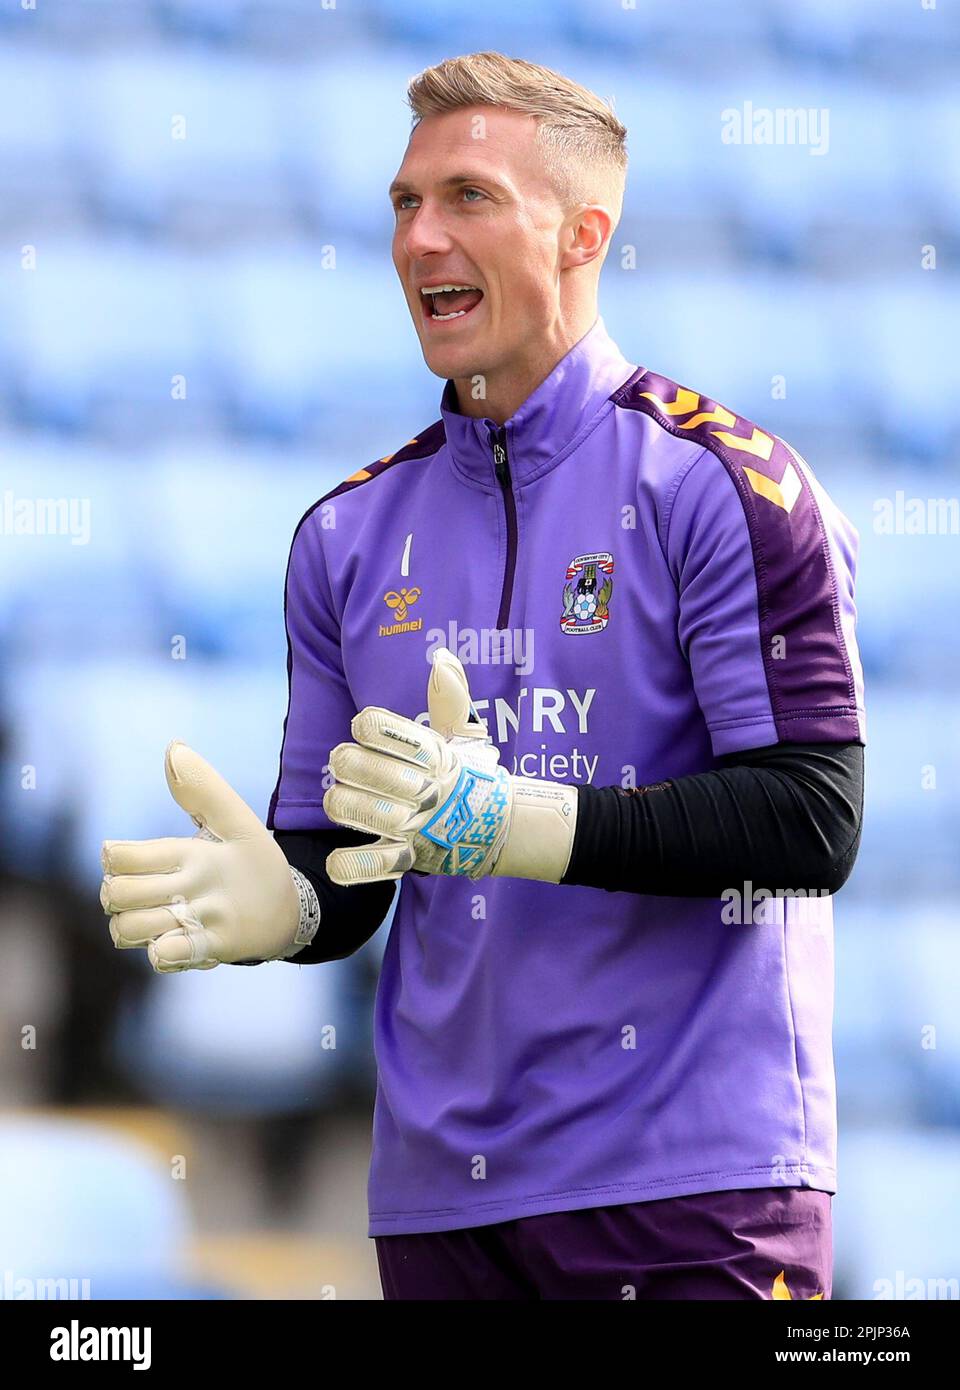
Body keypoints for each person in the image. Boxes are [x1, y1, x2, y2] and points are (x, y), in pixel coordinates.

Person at [101, 52, 865, 1300]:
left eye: (467, 196)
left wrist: (520, 821)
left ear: (583, 232)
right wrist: (290, 907)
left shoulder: (728, 487)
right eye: (405, 204)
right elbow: (343, 865)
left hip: (695, 1188)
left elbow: (812, 814)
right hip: (441, 1200)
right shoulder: (344, 537)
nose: (420, 238)